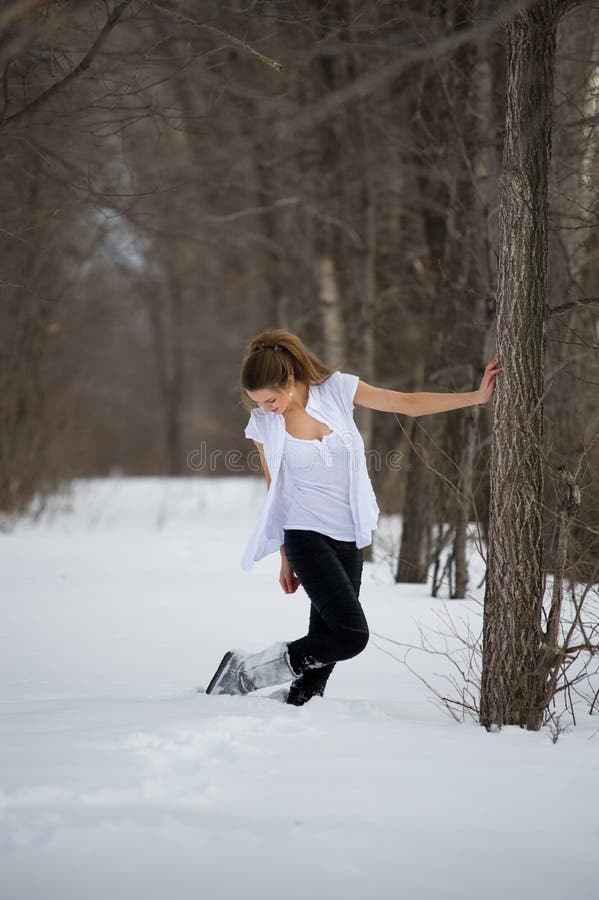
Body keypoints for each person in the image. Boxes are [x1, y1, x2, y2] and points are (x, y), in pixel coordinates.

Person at [206, 329, 501, 705]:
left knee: (325, 649)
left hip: (347, 535)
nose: (265, 408)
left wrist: (475, 398)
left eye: (270, 399)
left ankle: (300, 704)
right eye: (257, 403)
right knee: (350, 636)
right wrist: (284, 554)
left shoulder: (335, 389)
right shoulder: (265, 424)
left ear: (291, 380)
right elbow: (274, 490)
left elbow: (404, 403)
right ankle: (246, 672)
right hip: (303, 533)